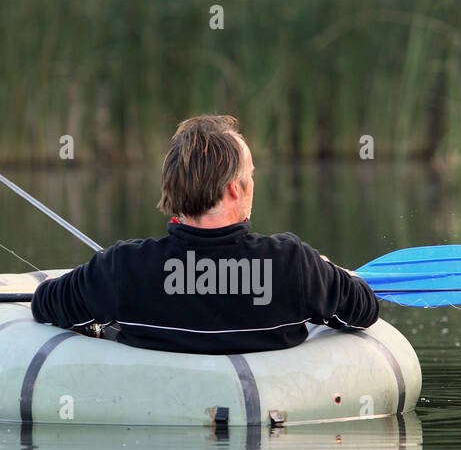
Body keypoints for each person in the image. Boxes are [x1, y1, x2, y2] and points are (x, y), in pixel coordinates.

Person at [30, 115, 378, 354]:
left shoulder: (123, 267)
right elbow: (364, 309)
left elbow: (45, 304)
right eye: (251, 175)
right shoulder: (293, 264)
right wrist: (328, 269)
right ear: (234, 188)